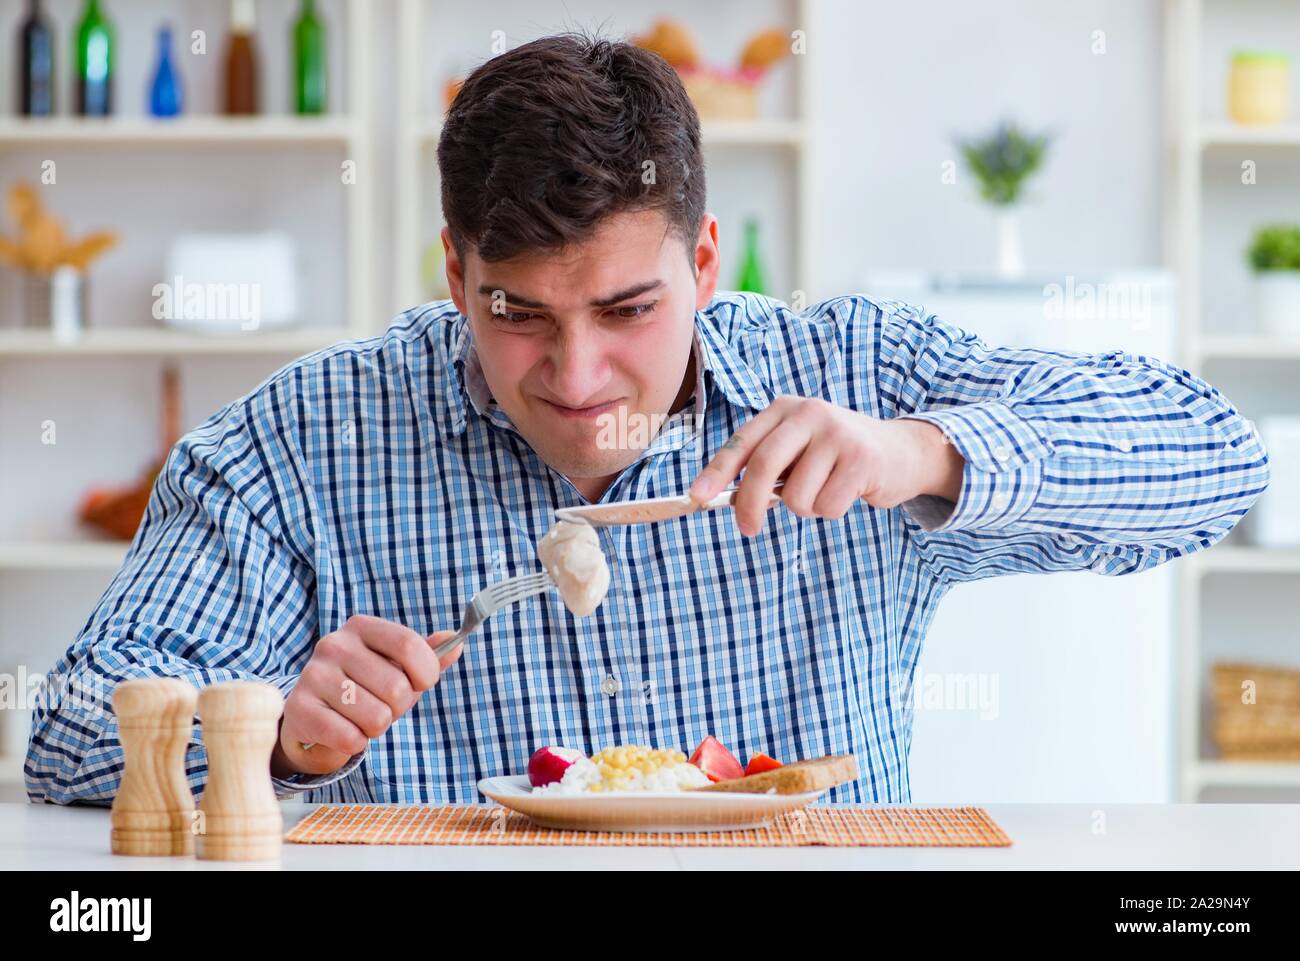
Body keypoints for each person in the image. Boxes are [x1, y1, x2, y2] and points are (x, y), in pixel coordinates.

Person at [27, 34, 1269, 805]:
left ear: (707, 260)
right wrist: (275, 738)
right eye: (517, 311)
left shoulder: (845, 374)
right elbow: (73, 736)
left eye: (628, 308)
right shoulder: (300, 440)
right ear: (453, 272)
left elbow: (1216, 457)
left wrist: (923, 451)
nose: (578, 376)